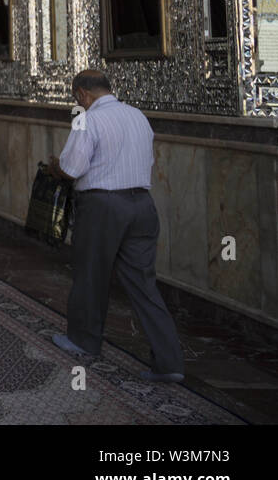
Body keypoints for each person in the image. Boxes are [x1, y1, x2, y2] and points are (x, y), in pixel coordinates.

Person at [48, 69, 186, 383]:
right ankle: (170, 362)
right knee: (144, 285)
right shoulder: (138, 116)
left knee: (91, 276)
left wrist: (55, 166)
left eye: (76, 99)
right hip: (142, 207)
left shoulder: (89, 119)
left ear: (82, 94)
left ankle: (83, 340)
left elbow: (72, 168)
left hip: (103, 208)